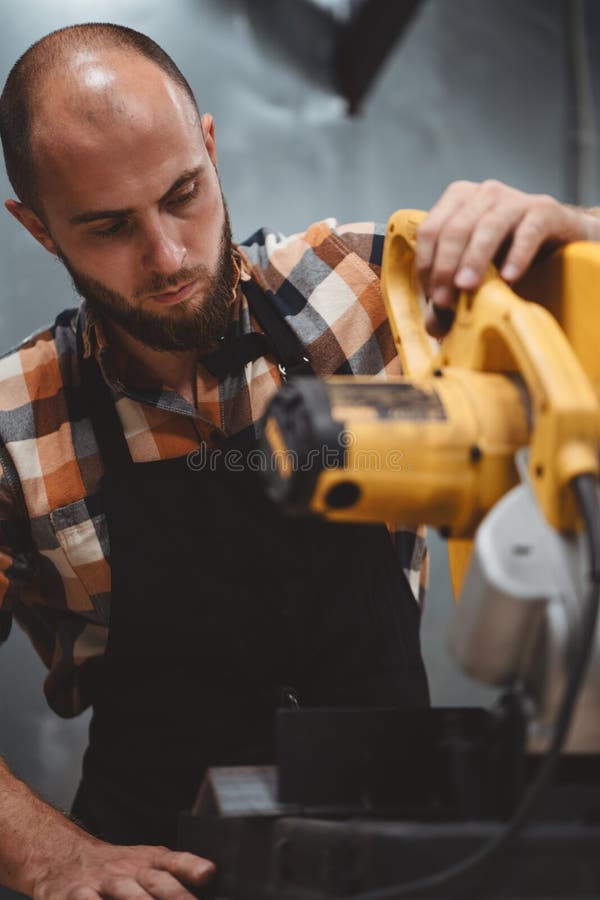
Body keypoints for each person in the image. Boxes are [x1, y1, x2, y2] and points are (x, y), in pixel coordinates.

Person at [0, 22, 598, 900]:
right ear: (39, 228)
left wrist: (576, 232)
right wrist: (52, 856)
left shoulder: (371, 287)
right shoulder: (16, 421)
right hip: (160, 873)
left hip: (402, 855)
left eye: (183, 193)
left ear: (209, 148)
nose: (167, 255)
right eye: (108, 227)